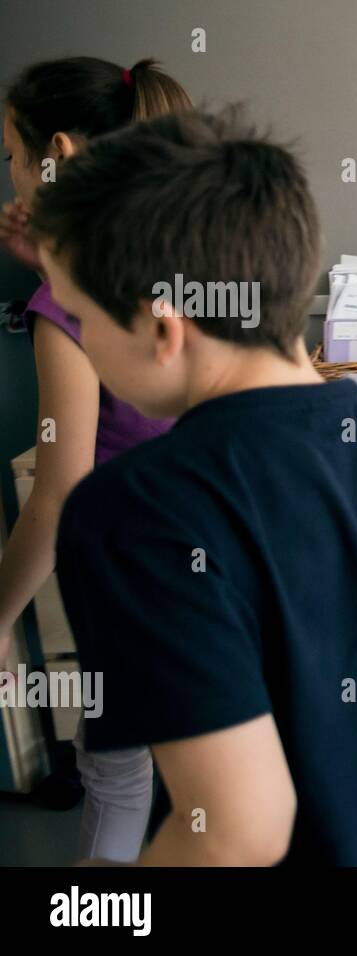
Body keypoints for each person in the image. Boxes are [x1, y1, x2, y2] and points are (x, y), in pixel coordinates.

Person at [29, 106, 357, 865]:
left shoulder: (130, 509)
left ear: (164, 329)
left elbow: (236, 830)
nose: (80, 341)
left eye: (82, 318)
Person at [0, 56, 191, 862]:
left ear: (61, 154)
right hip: (221, 558)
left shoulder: (64, 312)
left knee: (115, 777)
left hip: (135, 576)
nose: (8, 177)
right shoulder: (196, 252)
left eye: (11, 156)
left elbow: (60, 492)